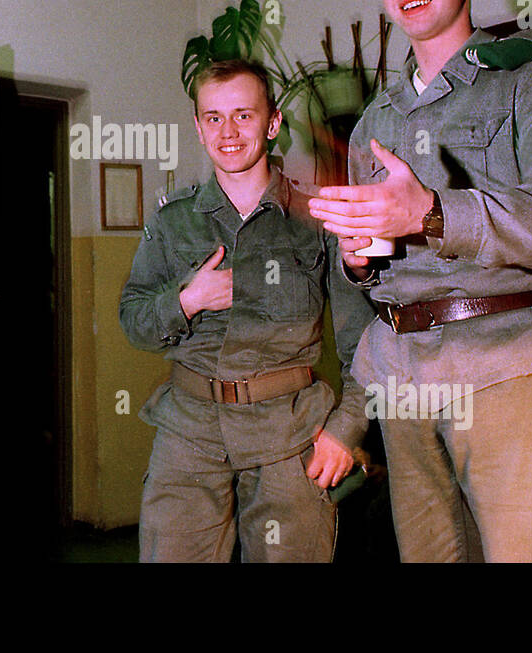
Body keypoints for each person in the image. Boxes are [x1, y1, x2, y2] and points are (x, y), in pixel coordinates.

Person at [308, 0, 532, 562]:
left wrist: (432, 213)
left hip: (508, 367)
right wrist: (364, 259)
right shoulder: (374, 122)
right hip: (405, 385)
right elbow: (365, 282)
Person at [119, 58, 374, 562]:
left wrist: (346, 430)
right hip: (189, 434)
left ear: (273, 122)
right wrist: (188, 300)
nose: (228, 131)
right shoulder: (173, 223)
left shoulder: (315, 221)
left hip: (291, 435)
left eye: (243, 115)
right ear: (198, 127)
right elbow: (134, 321)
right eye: (213, 118)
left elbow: (365, 342)